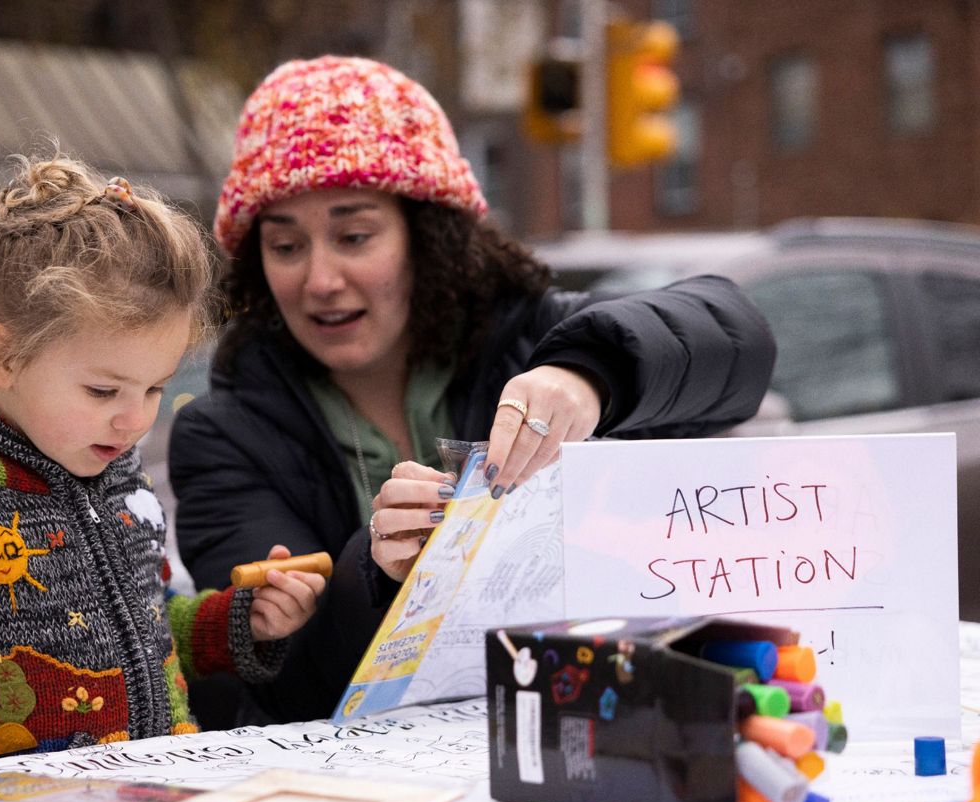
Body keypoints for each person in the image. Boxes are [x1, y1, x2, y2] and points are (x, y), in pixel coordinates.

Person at [170, 56, 776, 726]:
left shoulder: (530, 335)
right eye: (286, 247)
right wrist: (375, 572)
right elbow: (284, 682)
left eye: (354, 236)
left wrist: (589, 374)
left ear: (425, 236)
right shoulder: (222, 436)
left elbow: (737, 339)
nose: (320, 279)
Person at [0, 154, 326, 780]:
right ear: (3, 356)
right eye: (104, 392)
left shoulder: (121, 483)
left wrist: (239, 621)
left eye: (155, 389)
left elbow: (147, 630)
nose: (135, 421)